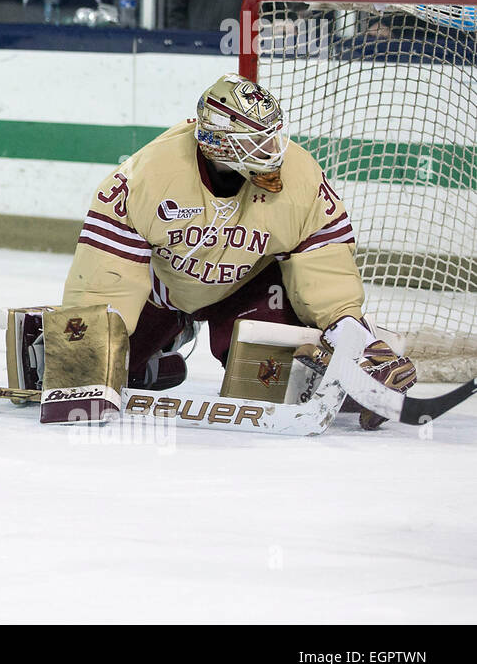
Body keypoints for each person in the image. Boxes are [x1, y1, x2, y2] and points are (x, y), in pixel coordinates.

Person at [52, 72, 416, 431]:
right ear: (217, 142)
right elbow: (105, 279)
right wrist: (81, 363)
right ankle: (153, 349)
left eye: (272, 136)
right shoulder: (147, 178)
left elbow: (323, 263)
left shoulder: (300, 177)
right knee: (101, 371)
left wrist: (348, 330)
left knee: (264, 387)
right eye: (257, 140)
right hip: (162, 291)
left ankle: (332, 368)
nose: (273, 150)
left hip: (247, 287)